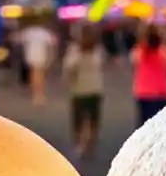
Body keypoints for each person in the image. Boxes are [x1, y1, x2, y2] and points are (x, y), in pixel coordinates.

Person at [62, 26, 104, 159]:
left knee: (78, 120)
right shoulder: (98, 52)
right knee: (93, 119)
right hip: (95, 89)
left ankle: (79, 143)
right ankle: (90, 143)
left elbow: (69, 69)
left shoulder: (74, 52)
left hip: (79, 90)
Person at [131, 27, 166, 125]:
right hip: (161, 92)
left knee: (145, 124)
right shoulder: (164, 52)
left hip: (144, 92)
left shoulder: (139, 52)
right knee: (161, 124)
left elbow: (134, 64)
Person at [19, 19, 57, 106]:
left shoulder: (29, 32)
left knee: (33, 75)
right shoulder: (45, 32)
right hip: (41, 55)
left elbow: (20, 41)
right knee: (40, 76)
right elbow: (52, 44)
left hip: (31, 55)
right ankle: (39, 95)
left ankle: (35, 94)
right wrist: (51, 58)